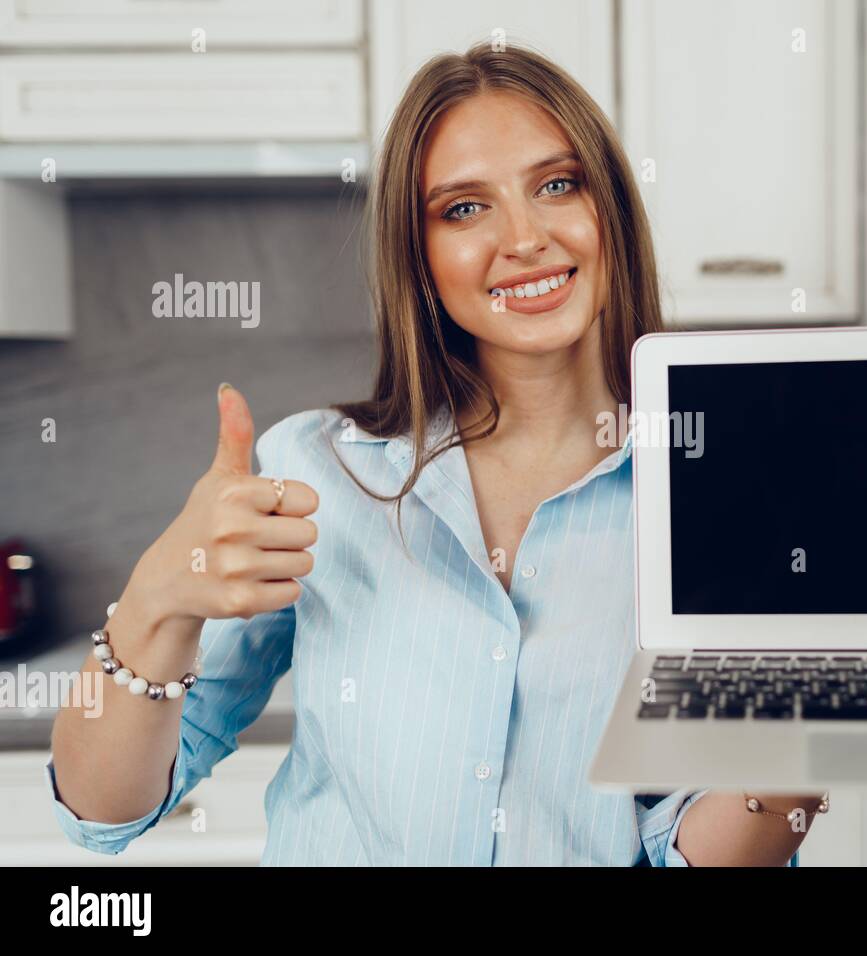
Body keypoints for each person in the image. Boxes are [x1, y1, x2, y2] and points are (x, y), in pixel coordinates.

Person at [48, 41, 823, 865]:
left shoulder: (710, 495)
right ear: (416, 258)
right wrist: (157, 597)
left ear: (611, 210)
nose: (523, 238)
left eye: (557, 185)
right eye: (463, 209)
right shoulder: (313, 474)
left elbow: (689, 849)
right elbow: (105, 813)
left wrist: (802, 738)